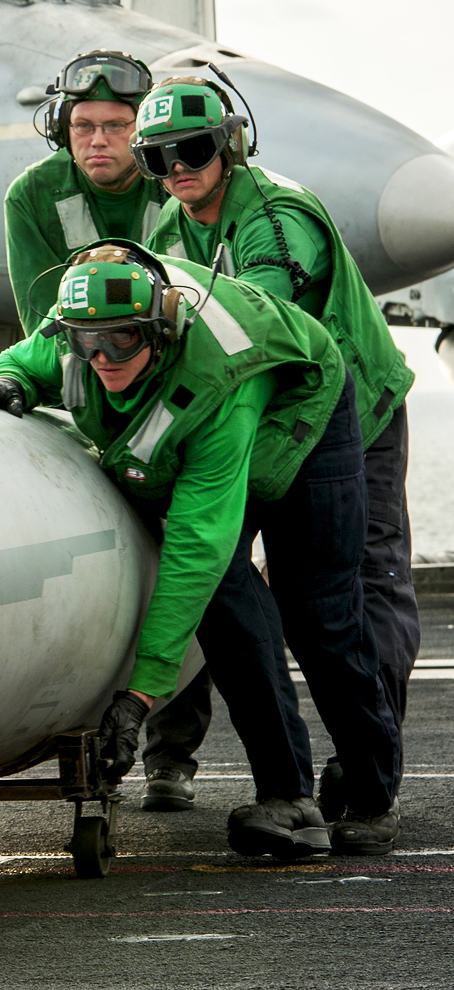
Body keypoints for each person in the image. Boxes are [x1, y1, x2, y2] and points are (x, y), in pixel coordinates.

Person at [0, 239, 403, 857]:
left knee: (318, 610)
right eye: (87, 343)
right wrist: (10, 382)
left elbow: (194, 550)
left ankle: (370, 794)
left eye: (123, 342)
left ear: (159, 329)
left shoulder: (216, 377)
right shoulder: (80, 334)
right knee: (229, 600)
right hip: (212, 421)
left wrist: (140, 693)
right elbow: (25, 360)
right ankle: (288, 797)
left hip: (301, 410)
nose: (102, 358)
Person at [134, 77, 418, 819]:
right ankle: (285, 790)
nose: (175, 169)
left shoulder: (276, 221)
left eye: (191, 150)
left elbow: (256, 331)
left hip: (344, 416)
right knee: (220, 582)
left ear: (229, 145)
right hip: (255, 419)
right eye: (156, 157)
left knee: (339, 601)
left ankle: (365, 785)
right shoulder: (170, 224)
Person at [5, 51, 169, 335]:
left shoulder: (176, 180)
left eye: (115, 125)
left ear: (143, 129)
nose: (97, 141)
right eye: (83, 126)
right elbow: (44, 328)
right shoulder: (31, 195)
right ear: (60, 130)